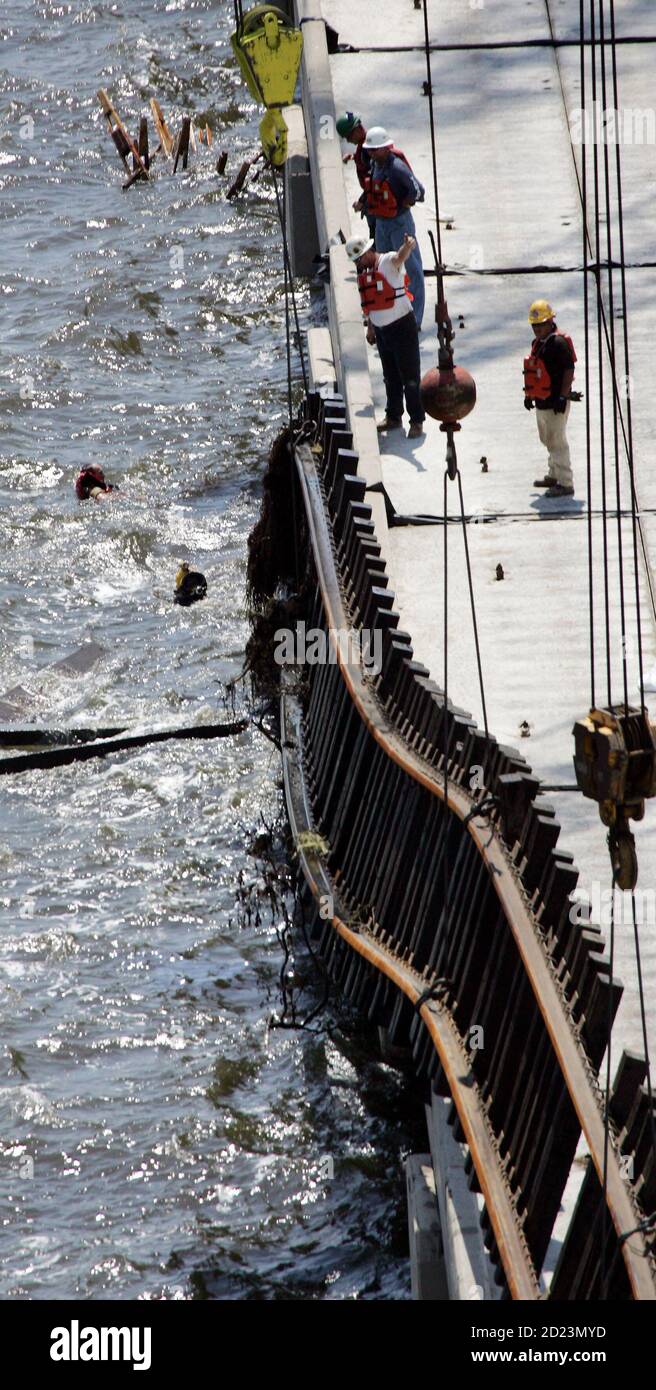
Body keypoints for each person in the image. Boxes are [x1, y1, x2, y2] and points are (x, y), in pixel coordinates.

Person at [346, 232, 425, 439]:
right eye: (356, 260)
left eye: (360, 258)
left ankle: (416, 420)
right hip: (382, 331)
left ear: (369, 251)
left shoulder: (387, 262)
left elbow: (400, 256)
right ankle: (393, 416)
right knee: (390, 377)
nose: (359, 263)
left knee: (410, 378)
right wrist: (371, 328)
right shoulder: (365, 273)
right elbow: (370, 304)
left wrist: (408, 245)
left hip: (402, 327)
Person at [358, 125, 425, 331]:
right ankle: (385, 311)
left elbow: (418, 190)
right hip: (381, 223)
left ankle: (414, 320)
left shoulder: (397, 168)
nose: (371, 153)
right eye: (370, 149)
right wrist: (362, 201)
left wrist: (405, 202)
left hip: (399, 223)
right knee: (381, 268)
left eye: (375, 149)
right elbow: (372, 187)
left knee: (412, 270)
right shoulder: (375, 165)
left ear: (386, 148)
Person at [523, 300, 576, 498]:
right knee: (546, 439)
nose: (537, 329)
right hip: (541, 401)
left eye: (541, 324)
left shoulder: (558, 343)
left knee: (557, 441)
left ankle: (565, 482)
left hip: (555, 402)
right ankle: (553, 475)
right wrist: (529, 395)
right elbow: (535, 371)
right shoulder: (538, 344)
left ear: (551, 321)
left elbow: (569, 370)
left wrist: (563, 396)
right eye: (534, 325)